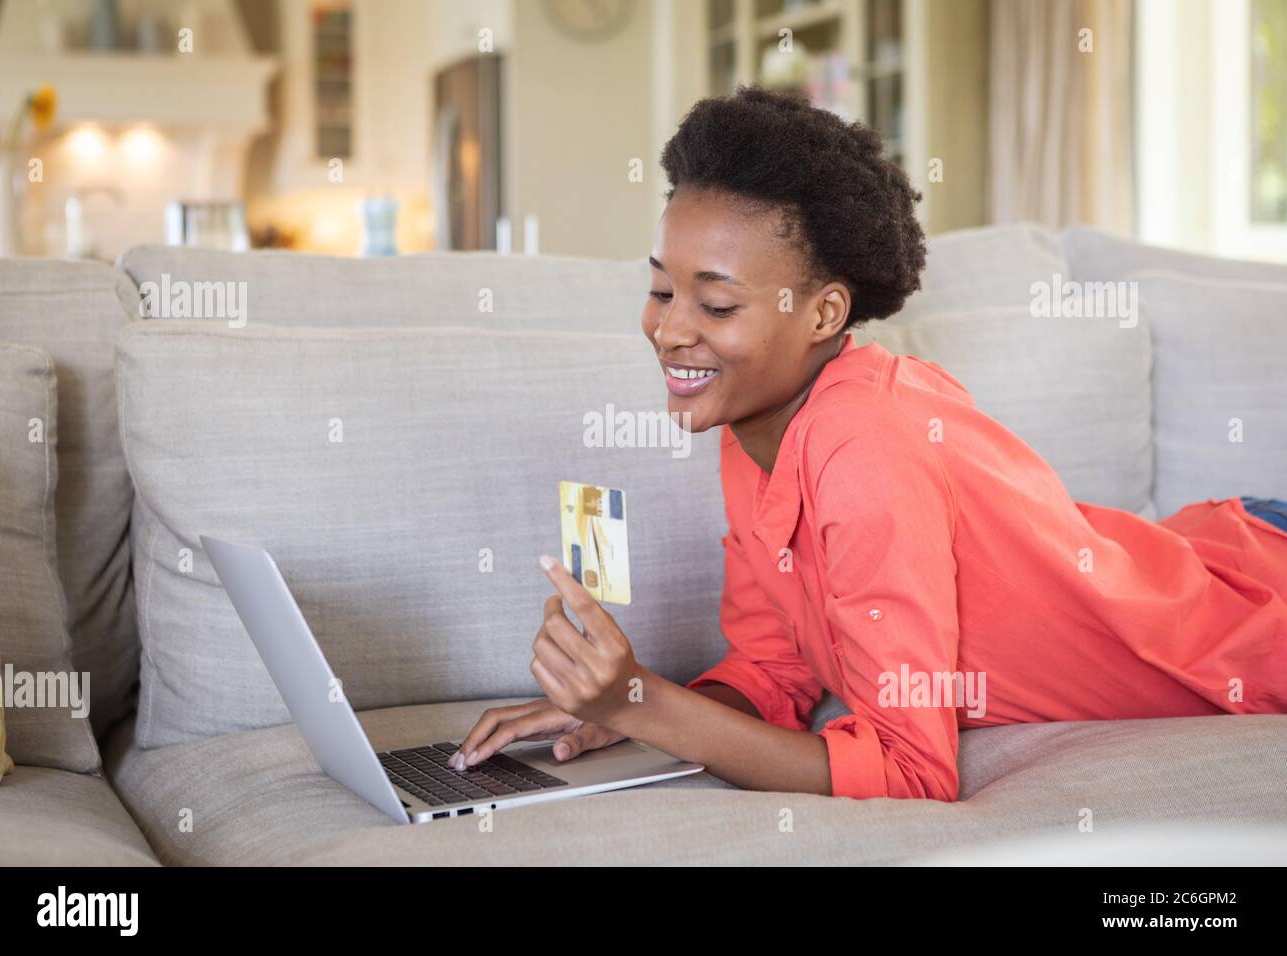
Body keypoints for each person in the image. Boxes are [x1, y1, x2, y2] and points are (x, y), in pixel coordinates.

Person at [449, 86, 1287, 801]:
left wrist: (641, 705)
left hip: (1258, 608)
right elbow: (772, 673)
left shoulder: (866, 445)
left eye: (715, 305)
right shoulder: (751, 424)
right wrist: (615, 706)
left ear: (823, 315)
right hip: (1204, 546)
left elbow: (915, 774)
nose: (669, 330)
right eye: (662, 288)